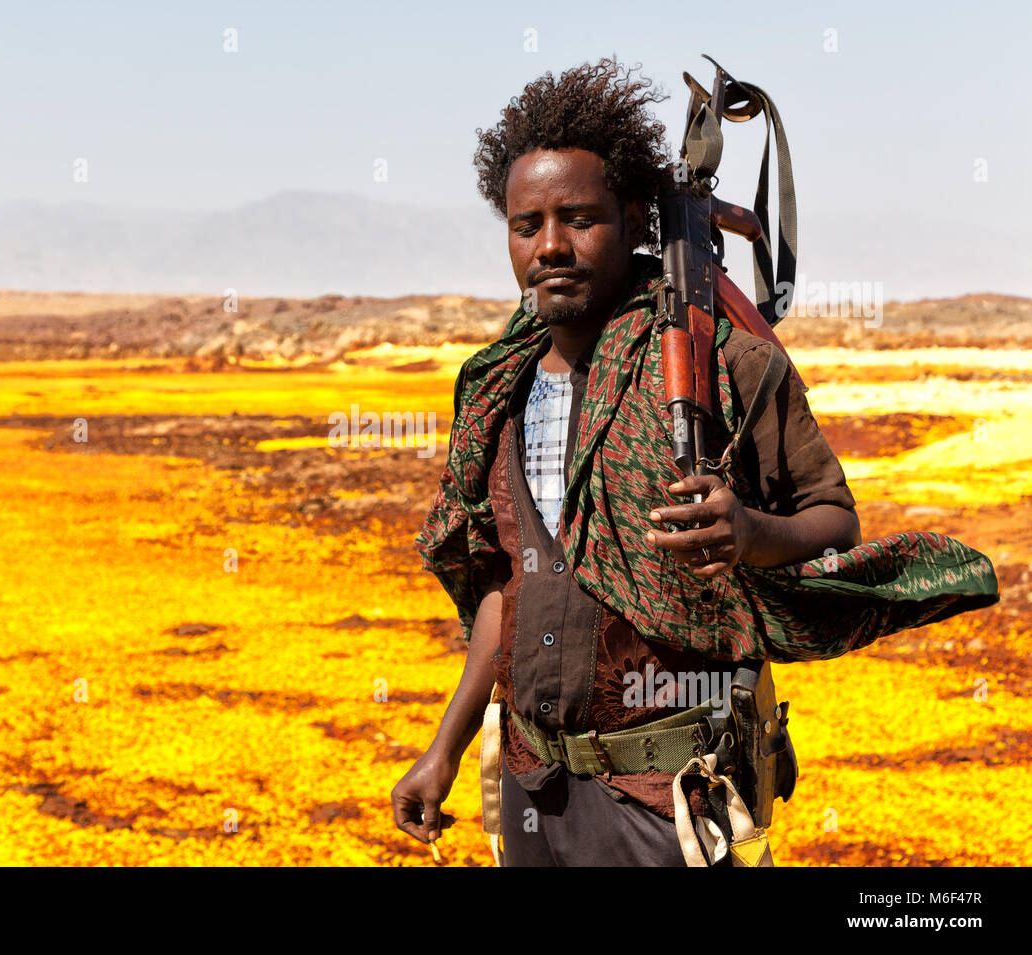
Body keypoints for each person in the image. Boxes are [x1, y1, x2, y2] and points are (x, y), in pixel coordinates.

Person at [390, 60, 997, 866]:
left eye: (579, 218)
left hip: (671, 799)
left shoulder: (722, 366)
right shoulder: (501, 390)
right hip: (534, 790)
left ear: (636, 215)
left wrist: (747, 531)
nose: (550, 246)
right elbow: (512, 584)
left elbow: (834, 521)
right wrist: (446, 746)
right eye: (525, 224)